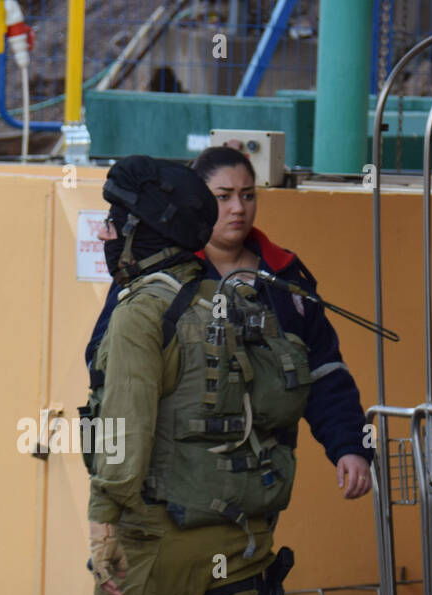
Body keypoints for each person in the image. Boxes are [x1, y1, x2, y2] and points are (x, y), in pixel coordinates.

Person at [84, 155, 311, 595]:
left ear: (138, 234)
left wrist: (103, 524)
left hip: (160, 544)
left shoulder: (141, 313)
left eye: (114, 223)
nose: (104, 234)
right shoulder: (236, 300)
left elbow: (124, 429)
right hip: (243, 544)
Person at [87, 145, 372, 504]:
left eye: (248, 195)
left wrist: (350, 446)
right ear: (198, 203)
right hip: (169, 491)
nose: (238, 208)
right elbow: (105, 367)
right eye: (223, 197)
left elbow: (324, 371)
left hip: (255, 489)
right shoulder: (155, 277)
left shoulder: (285, 277)